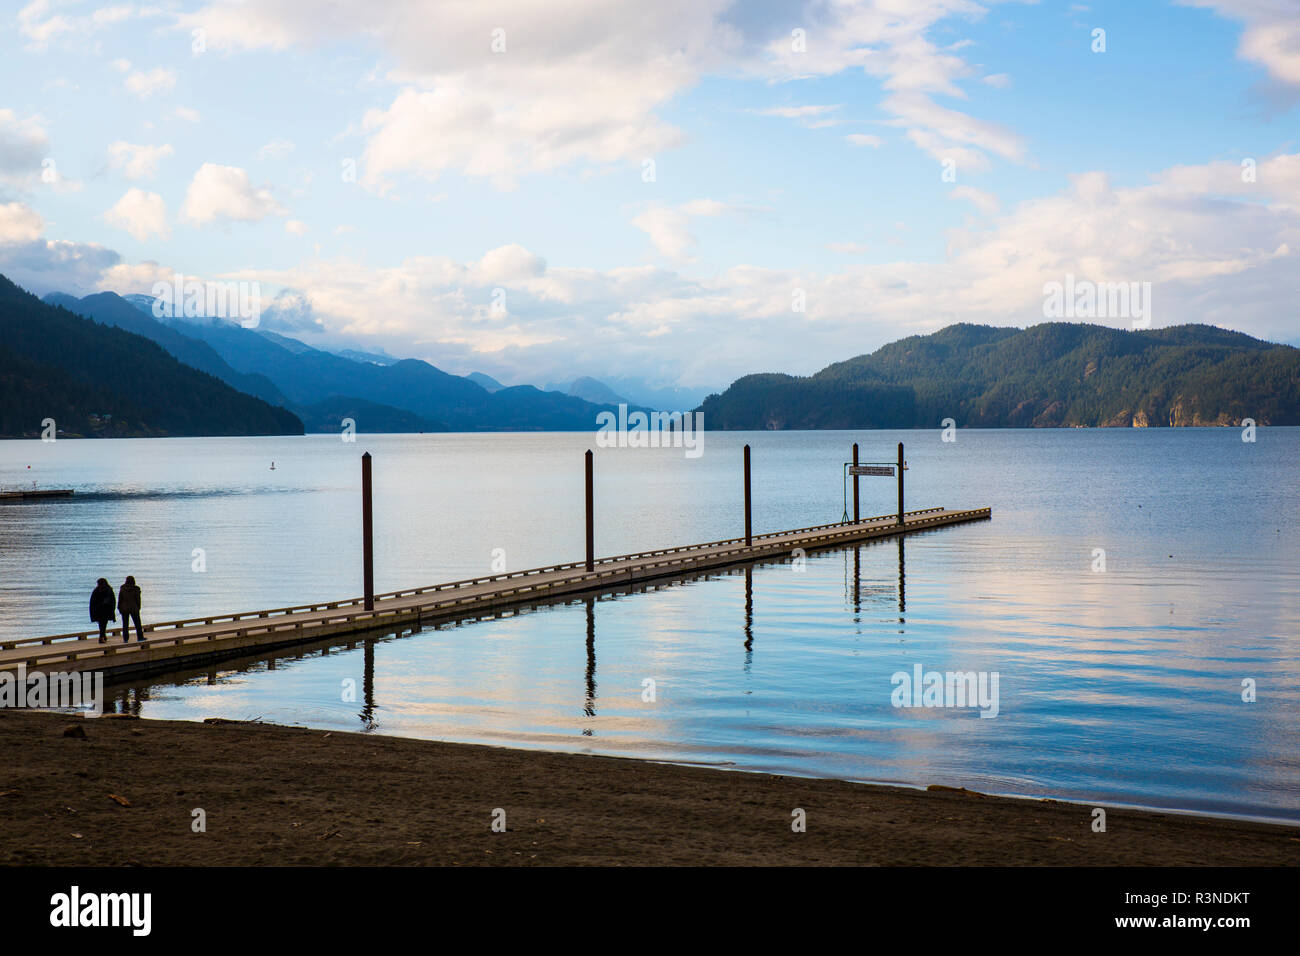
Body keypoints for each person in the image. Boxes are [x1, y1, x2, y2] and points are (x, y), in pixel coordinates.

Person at [89, 578, 115, 644]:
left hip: (98, 610)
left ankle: (103, 636)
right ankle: (101, 637)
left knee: (101, 624)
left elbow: (92, 602)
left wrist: (93, 611)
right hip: (106, 609)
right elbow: (112, 600)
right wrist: (112, 609)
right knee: (104, 624)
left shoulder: (96, 590)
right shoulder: (108, 589)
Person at [118, 575, 144, 642]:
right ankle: (140, 637)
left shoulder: (122, 588)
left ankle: (125, 639)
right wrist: (138, 607)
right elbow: (138, 599)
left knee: (125, 624)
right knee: (137, 624)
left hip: (124, 608)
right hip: (134, 607)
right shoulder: (136, 589)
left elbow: (120, 599)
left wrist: (119, 608)